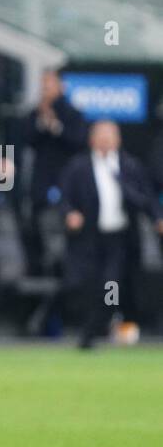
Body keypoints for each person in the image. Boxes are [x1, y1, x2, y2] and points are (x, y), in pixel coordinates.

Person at [58, 121, 163, 349]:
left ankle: (102, 324)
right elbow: (65, 199)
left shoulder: (129, 166)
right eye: (101, 135)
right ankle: (97, 324)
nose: (105, 140)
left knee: (111, 284)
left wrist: (157, 218)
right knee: (89, 285)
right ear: (92, 139)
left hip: (119, 239)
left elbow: (147, 197)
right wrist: (70, 214)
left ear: (118, 139)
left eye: (110, 135)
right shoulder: (78, 167)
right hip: (89, 239)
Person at [18, 70, 87, 276]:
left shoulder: (73, 114)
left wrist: (56, 127)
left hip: (69, 186)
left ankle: (66, 274)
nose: (45, 90)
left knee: (67, 237)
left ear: (61, 86)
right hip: (41, 186)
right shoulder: (34, 114)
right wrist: (42, 123)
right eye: (43, 86)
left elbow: (78, 142)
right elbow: (26, 139)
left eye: (49, 85)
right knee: (39, 231)